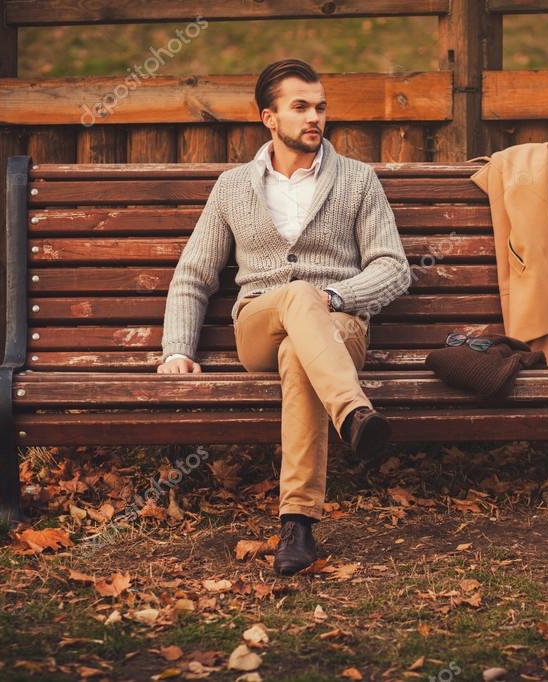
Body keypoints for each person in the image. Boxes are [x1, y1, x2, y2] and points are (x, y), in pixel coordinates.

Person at [157, 58, 412, 575]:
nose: (314, 117)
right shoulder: (233, 187)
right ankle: (354, 413)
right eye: (300, 107)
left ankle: (297, 524)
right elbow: (194, 275)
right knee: (296, 296)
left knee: (303, 346)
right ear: (268, 118)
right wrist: (177, 351)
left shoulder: (358, 181)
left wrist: (335, 298)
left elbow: (395, 268)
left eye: (319, 107)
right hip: (259, 324)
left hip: (339, 329)